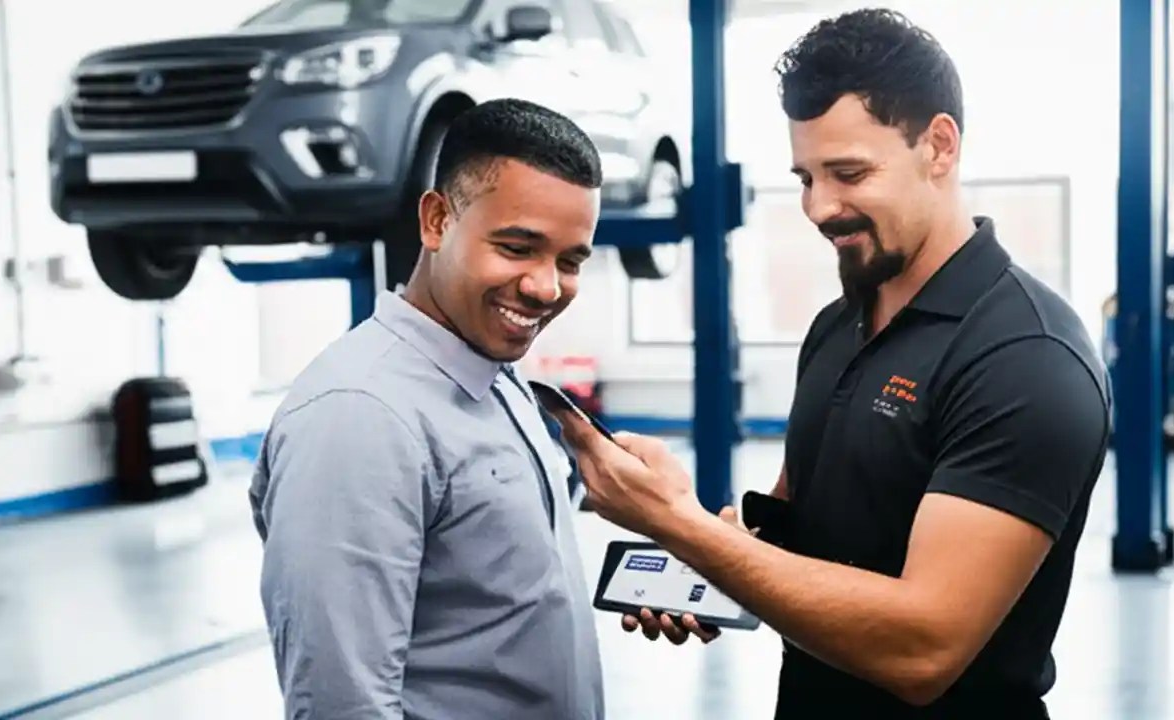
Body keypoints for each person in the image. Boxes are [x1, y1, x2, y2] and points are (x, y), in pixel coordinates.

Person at [553, 9, 1111, 719]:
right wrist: (707, 556)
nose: (818, 207)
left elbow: (924, 650)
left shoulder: (1026, 358)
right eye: (806, 176)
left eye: (849, 173)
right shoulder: (838, 324)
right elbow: (793, 532)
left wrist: (680, 529)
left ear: (939, 146)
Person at [248, 98, 611, 720]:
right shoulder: (361, 415)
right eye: (517, 246)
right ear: (437, 220)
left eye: (570, 259)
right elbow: (342, 702)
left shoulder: (497, 377)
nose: (547, 287)